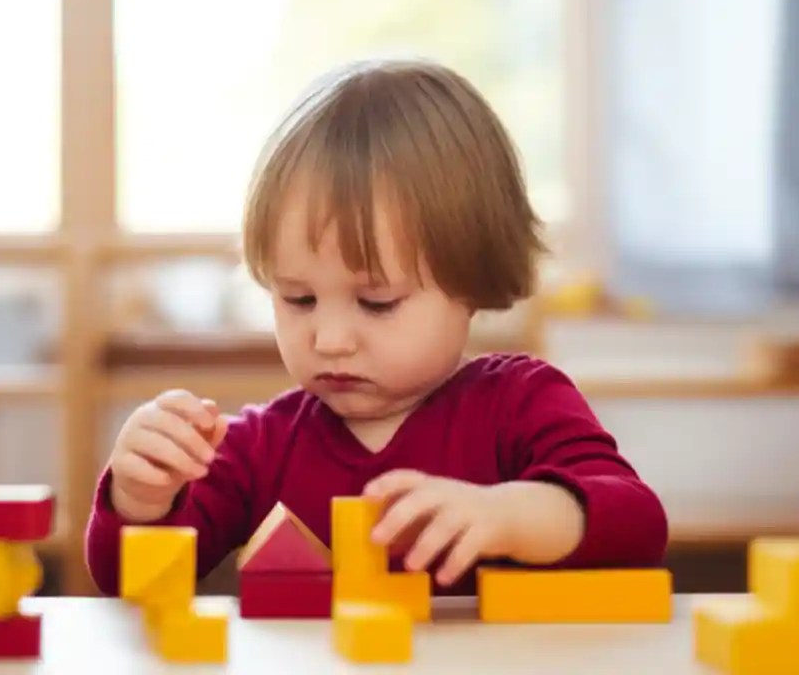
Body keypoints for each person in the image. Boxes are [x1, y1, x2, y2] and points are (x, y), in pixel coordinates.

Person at [85, 58, 668, 597]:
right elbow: (127, 582)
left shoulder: (521, 404)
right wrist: (139, 498)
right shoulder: (259, 449)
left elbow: (638, 526)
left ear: (471, 282)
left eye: (377, 302)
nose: (330, 338)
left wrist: (510, 516)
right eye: (299, 298)